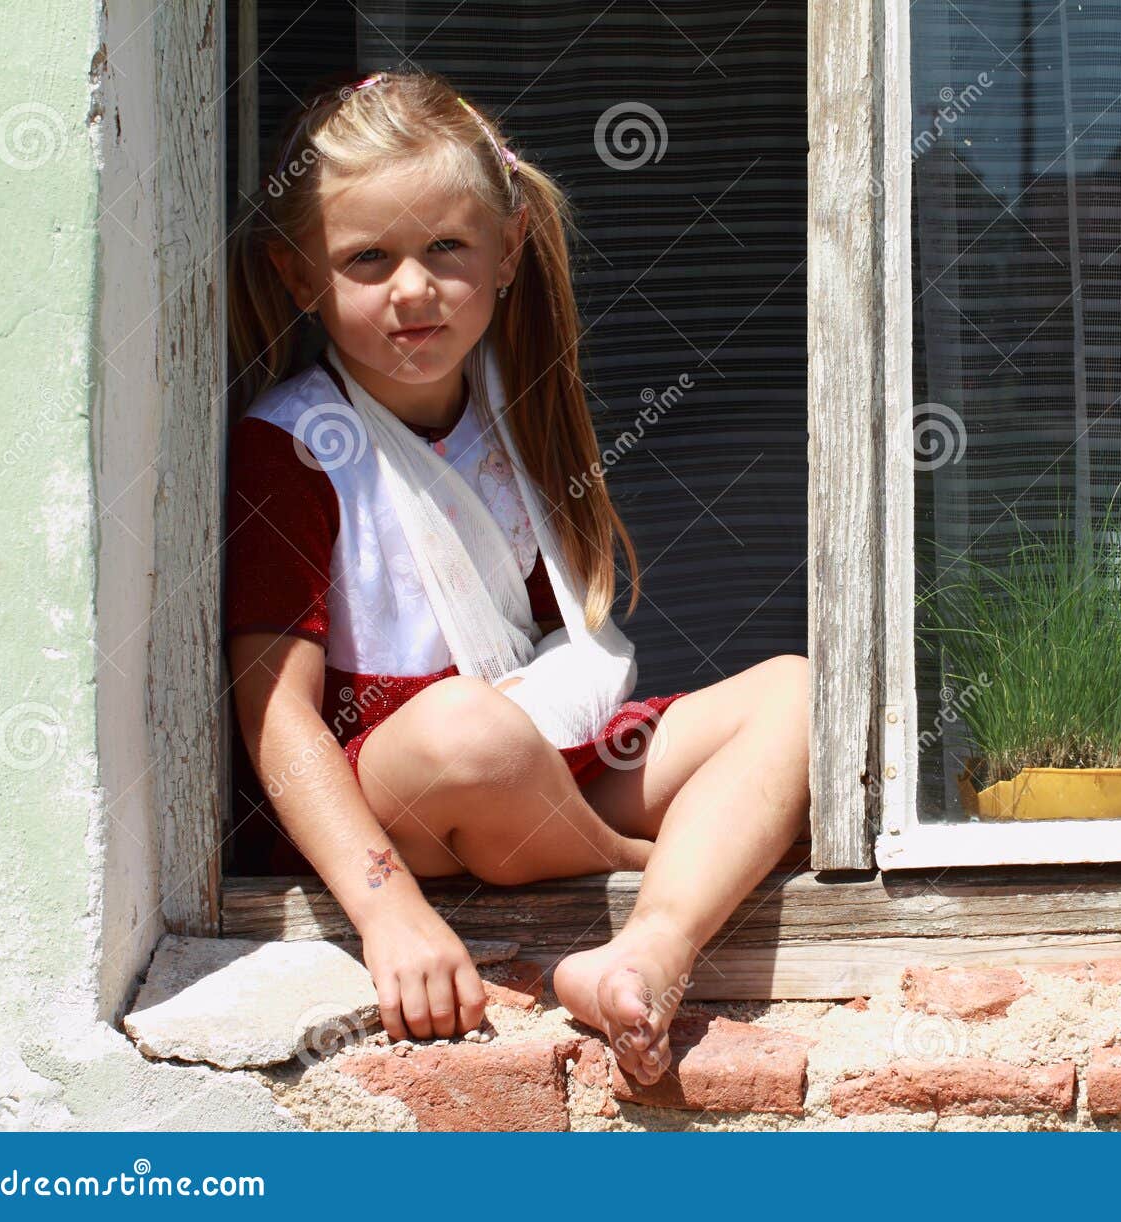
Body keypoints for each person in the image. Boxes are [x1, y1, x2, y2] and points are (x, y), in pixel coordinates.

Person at [223, 68, 809, 1086]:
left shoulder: (510, 408)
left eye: (446, 248)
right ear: (297, 274)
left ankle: (650, 946)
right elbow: (274, 716)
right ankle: (643, 862)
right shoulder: (296, 444)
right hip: (403, 791)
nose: (413, 288)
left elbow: (545, 650)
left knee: (797, 694)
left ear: (508, 249)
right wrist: (387, 910)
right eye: (367, 259)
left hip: (533, 760)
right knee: (467, 730)